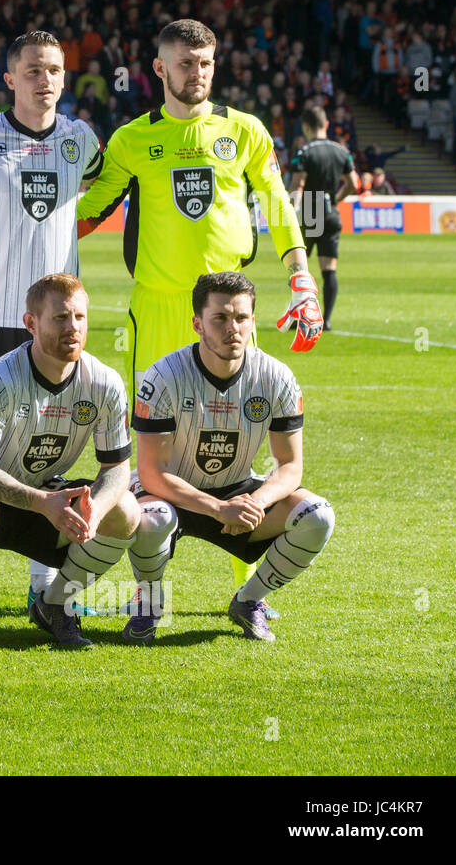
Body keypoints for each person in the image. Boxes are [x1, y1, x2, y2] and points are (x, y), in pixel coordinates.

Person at [77, 17, 321, 605]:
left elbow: (279, 205)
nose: (197, 74)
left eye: (206, 64)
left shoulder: (247, 132)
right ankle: (140, 590)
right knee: (143, 451)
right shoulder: (133, 138)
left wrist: (300, 275)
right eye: (185, 64)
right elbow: (85, 211)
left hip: (229, 310)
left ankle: (249, 583)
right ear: (159, 69)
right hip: (158, 308)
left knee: (241, 438)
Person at [0, 29, 105, 618]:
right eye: (33, 70)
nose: (46, 79)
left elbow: (103, 191)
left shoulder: (80, 140)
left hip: (58, 322)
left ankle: (43, 583)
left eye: (55, 70)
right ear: (10, 79)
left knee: (51, 445)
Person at [0, 274, 139, 649]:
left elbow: (116, 468)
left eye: (80, 317)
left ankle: (55, 605)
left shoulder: (105, 383)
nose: (73, 327)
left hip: (46, 491)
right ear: (31, 323)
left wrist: (96, 509)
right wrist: (40, 503)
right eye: (60, 318)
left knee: (124, 510)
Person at [129, 272, 335, 642]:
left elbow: (289, 465)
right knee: (152, 518)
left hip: (237, 490)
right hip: (169, 489)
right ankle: (149, 601)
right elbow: (152, 472)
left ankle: (249, 601)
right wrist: (217, 509)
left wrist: (255, 503)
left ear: (252, 321)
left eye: (241, 318)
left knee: (317, 516)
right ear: (197, 323)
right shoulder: (163, 375)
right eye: (220, 318)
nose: (232, 329)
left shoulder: (276, 377)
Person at [289, 105, 359, 332]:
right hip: (330, 214)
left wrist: (292, 209)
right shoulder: (341, 151)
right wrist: (336, 199)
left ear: (306, 127)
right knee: (329, 270)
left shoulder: (304, 152)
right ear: (326, 124)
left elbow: (298, 185)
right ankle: (326, 320)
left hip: (310, 213)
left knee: (300, 270)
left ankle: (302, 318)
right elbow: (354, 184)